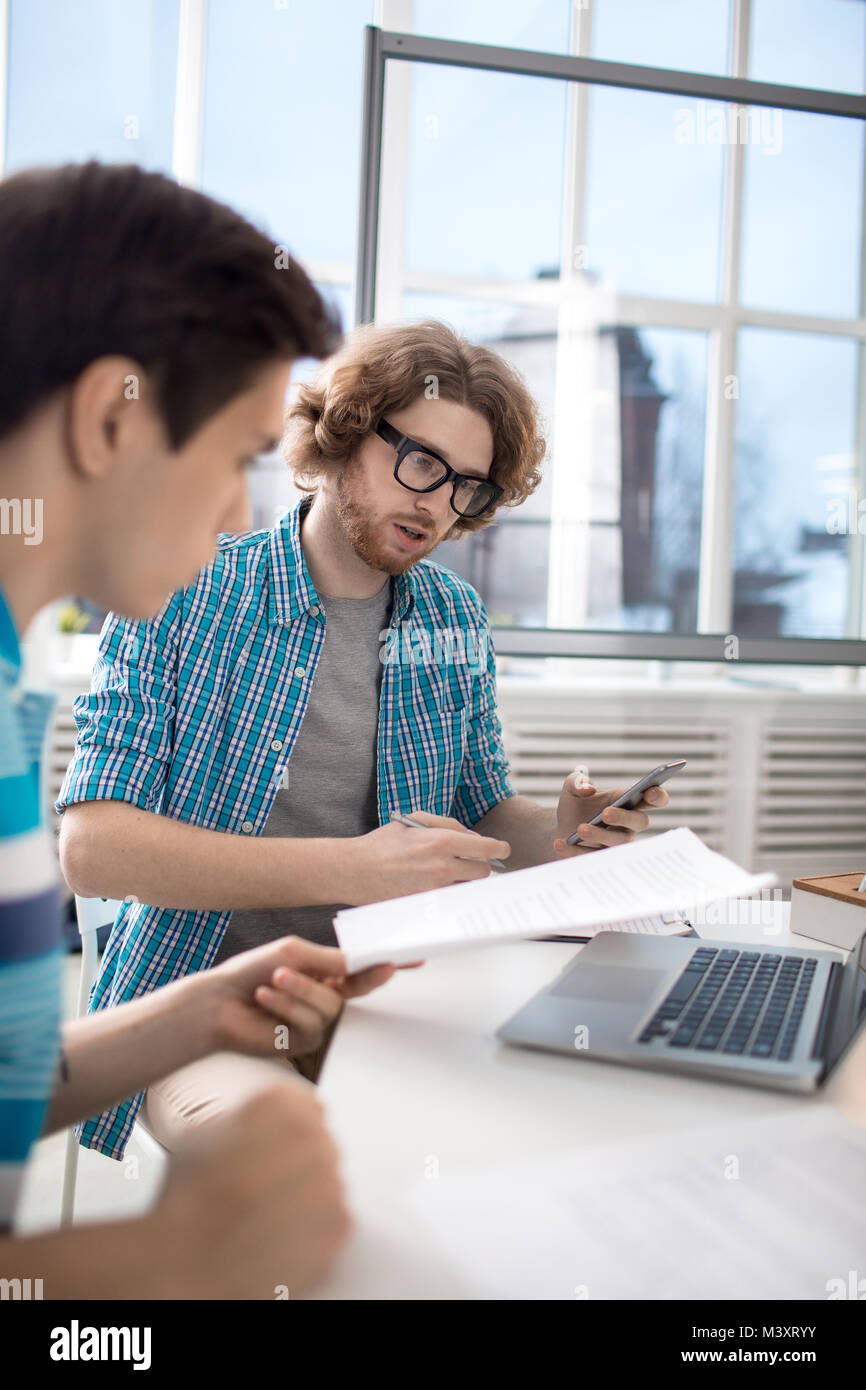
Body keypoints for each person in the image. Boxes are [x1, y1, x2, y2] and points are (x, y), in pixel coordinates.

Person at [58, 318, 670, 1157]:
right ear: (345, 434)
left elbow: (481, 811)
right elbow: (95, 848)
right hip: (205, 1000)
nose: (436, 504)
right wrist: (352, 867)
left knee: (574, 1118)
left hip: (399, 992)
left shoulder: (451, 617)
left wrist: (562, 830)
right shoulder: (185, 588)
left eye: (468, 488)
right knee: (283, 1158)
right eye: (419, 462)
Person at [0, 160, 399, 1299]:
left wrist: (184, 1014)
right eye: (234, 459)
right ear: (109, 415)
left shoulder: (14, 689)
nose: (239, 514)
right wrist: (162, 1264)